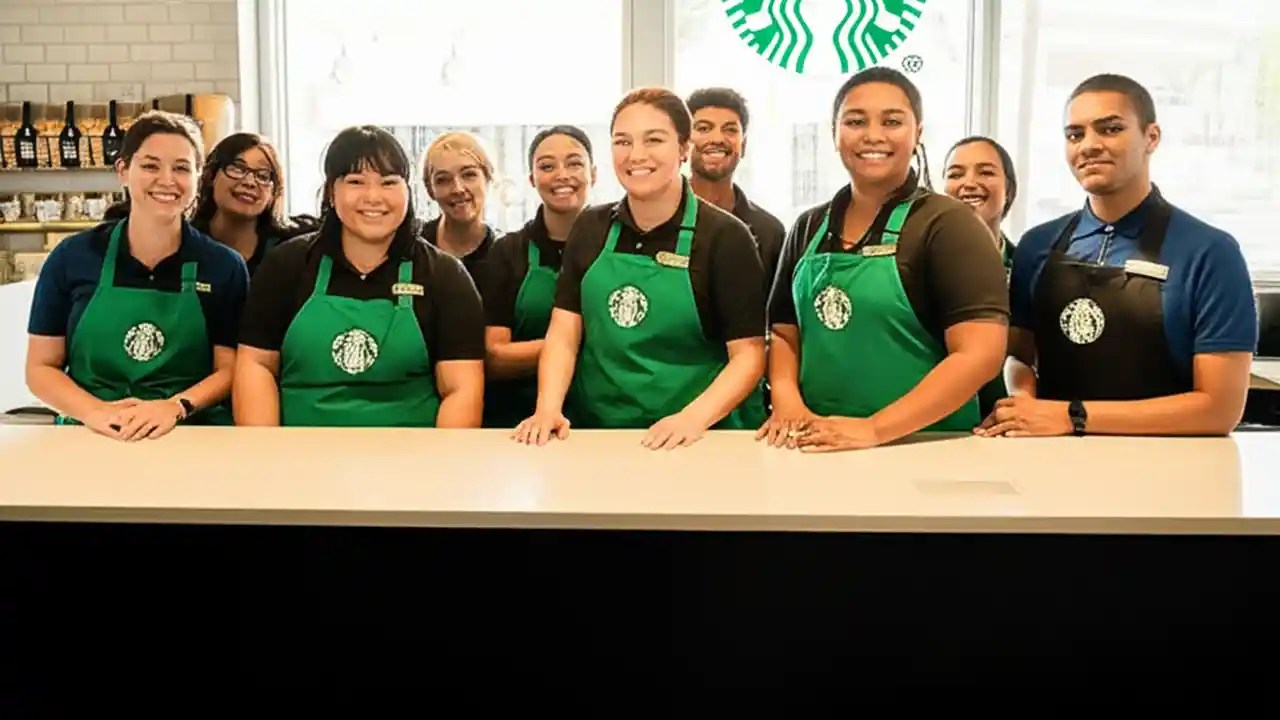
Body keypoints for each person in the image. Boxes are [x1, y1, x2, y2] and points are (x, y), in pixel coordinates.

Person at [977, 73, 1257, 438]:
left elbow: (1219, 409)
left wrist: (1073, 417)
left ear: (1151, 137)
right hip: (1052, 462)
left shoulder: (1209, 253)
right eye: (1074, 134)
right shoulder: (1037, 246)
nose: (1088, 145)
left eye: (1109, 129)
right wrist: (1024, 402)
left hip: (1172, 470)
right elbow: (1018, 355)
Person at [758, 67, 1009, 453]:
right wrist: (789, 401)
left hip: (925, 446)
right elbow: (786, 333)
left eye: (892, 121)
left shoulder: (949, 225)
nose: (873, 135)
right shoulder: (808, 226)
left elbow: (981, 354)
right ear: (834, 133)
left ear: (918, 132)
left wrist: (875, 429)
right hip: (818, 443)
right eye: (855, 121)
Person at [513, 88, 768, 450]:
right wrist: (547, 409)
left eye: (654, 140)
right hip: (599, 434)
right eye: (622, 141)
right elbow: (565, 333)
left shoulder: (726, 238)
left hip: (702, 438)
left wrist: (691, 419)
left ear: (684, 148)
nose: (636, 155)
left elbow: (748, 356)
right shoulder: (590, 228)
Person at [234, 125, 485, 427]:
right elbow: (256, 365)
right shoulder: (286, 266)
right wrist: (265, 456)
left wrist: (438, 468)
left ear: (408, 191)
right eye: (355, 181)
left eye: (388, 182)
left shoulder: (444, 276)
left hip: (411, 463)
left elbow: (462, 388)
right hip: (299, 461)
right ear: (331, 190)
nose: (373, 197)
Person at [25, 110, 248, 440]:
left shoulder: (223, 266)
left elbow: (230, 369)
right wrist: (96, 412)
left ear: (199, 177)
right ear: (123, 171)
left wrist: (175, 406)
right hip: (90, 434)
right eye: (150, 165)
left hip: (189, 434)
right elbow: (41, 367)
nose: (167, 179)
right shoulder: (73, 257)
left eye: (182, 168)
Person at [478, 125, 597, 428]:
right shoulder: (508, 252)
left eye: (574, 163)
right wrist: (575, 347)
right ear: (532, 180)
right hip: (519, 419)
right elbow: (493, 356)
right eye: (547, 166)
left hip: (601, 416)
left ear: (593, 173)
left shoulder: (619, 246)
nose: (562, 175)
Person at [943, 135, 1019, 416]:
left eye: (986, 172)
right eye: (955, 174)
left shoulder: (1030, 267)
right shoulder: (914, 265)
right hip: (935, 424)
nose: (969, 183)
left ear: (1009, 190)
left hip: (1009, 421)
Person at [685, 87, 786, 286]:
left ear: (744, 145)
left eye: (730, 130)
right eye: (703, 128)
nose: (717, 139)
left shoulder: (769, 232)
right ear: (683, 143)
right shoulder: (660, 218)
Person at [191, 132, 318, 277]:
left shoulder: (294, 245)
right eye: (238, 168)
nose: (249, 182)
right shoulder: (186, 239)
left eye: (263, 176)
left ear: (274, 192)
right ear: (211, 175)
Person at [419, 131, 498, 280]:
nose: (458, 189)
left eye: (469, 175)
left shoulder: (505, 255)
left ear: (488, 178)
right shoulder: (413, 247)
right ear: (430, 190)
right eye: (443, 180)